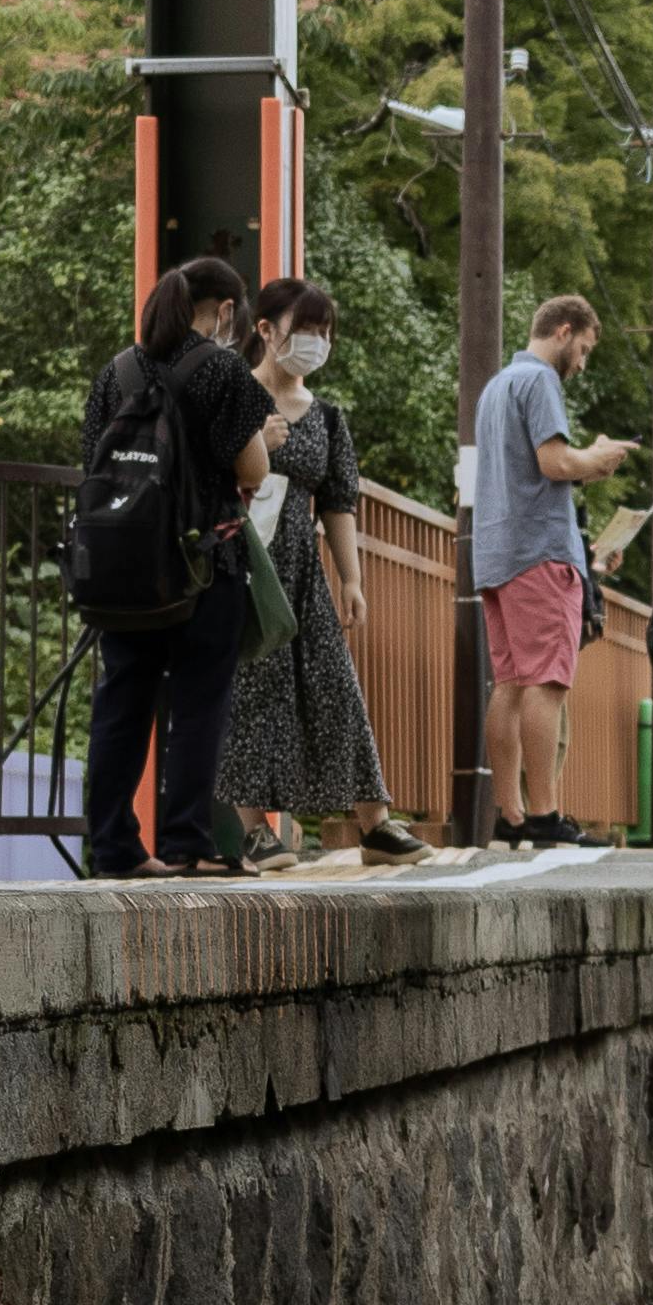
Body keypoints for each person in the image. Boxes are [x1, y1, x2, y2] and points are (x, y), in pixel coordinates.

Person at [79, 256, 279, 879]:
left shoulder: (117, 371)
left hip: (124, 567)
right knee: (196, 703)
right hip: (202, 563)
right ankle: (185, 842)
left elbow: (92, 457)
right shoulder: (223, 369)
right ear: (225, 311)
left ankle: (113, 848)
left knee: (121, 701)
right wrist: (260, 446)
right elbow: (252, 472)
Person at [223, 278, 424, 867]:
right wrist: (253, 441)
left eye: (323, 332)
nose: (315, 342)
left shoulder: (328, 418)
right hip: (242, 565)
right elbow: (201, 472)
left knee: (336, 687)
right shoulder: (232, 398)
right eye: (304, 330)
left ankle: (375, 823)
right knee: (251, 694)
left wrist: (352, 579)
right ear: (266, 331)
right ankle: (257, 832)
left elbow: (339, 502)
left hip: (302, 571)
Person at [470, 291, 639, 850]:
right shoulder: (541, 381)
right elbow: (555, 462)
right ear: (564, 331)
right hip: (540, 552)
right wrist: (601, 458)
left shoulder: (496, 387)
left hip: (496, 554)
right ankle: (544, 814)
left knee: (511, 684)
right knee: (547, 684)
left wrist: (582, 458)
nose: (582, 363)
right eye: (585, 349)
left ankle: (511, 815)